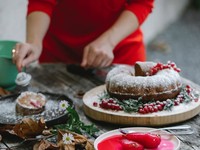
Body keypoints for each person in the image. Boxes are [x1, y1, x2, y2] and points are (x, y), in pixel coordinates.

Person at [13, 0, 154, 72]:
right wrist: (34, 42)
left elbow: (141, 3)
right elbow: (42, 1)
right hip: (58, 52)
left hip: (120, 50)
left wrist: (109, 41)